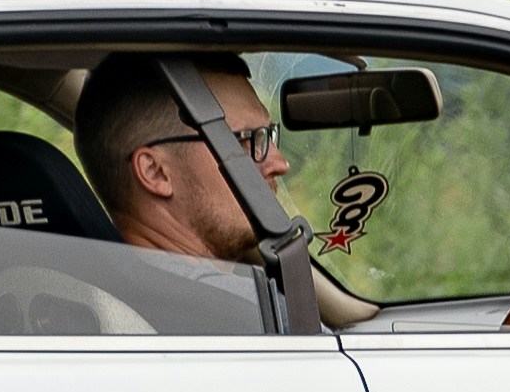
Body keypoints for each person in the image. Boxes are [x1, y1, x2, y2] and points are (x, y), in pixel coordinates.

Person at [70, 52, 376, 323]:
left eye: (267, 135)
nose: (280, 163)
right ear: (156, 172)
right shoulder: (253, 316)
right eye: (242, 141)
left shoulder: (95, 296)